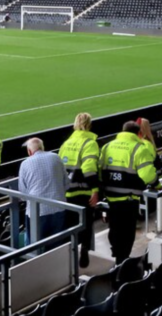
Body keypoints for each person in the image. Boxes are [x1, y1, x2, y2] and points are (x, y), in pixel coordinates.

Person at [100, 121, 160, 264]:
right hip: (129, 199)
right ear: (138, 133)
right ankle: (122, 259)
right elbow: (148, 175)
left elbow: (100, 171)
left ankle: (117, 254)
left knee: (114, 226)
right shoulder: (139, 148)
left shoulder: (107, 146)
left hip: (111, 196)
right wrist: (157, 184)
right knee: (127, 230)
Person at [60, 113, 100, 267]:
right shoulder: (90, 143)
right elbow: (89, 168)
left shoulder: (66, 143)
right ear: (89, 124)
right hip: (83, 192)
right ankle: (84, 251)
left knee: (70, 226)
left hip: (67, 193)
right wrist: (95, 190)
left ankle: (69, 258)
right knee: (86, 224)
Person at [18, 137, 69, 245]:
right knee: (57, 246)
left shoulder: (25, 164)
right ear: (42, 147)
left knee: (34, 248)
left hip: (37, 212)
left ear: (29, 151)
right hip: (59, 207)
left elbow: (22, 194)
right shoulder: (56, 157)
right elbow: (66, 184)